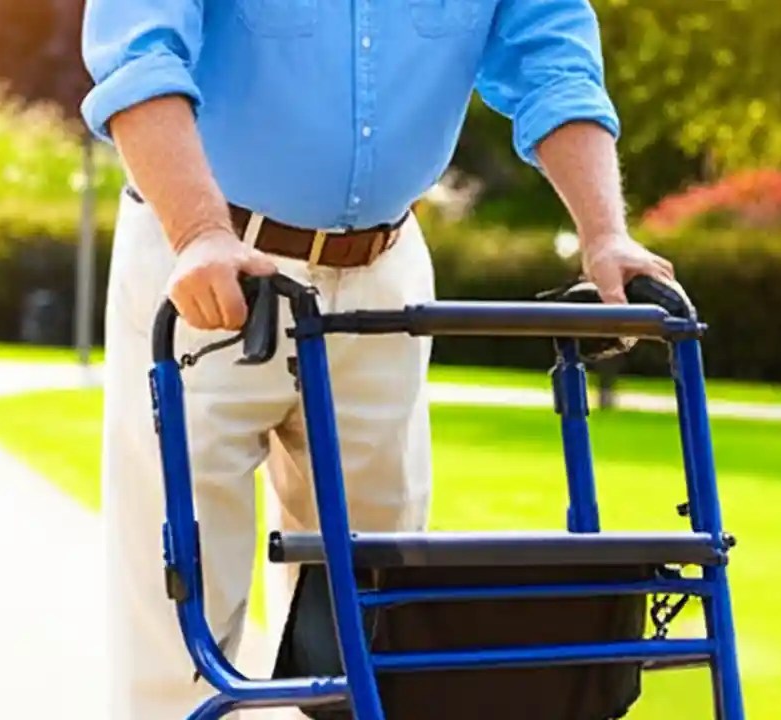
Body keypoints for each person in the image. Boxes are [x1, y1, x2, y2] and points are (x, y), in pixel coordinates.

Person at [79, 0, 678, 717]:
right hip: (208, 269)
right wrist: (200, 231)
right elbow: (139, 55)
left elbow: (550, 55)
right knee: (179, 619)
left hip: (383, 273)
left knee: (375, 626)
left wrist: (605, 235)